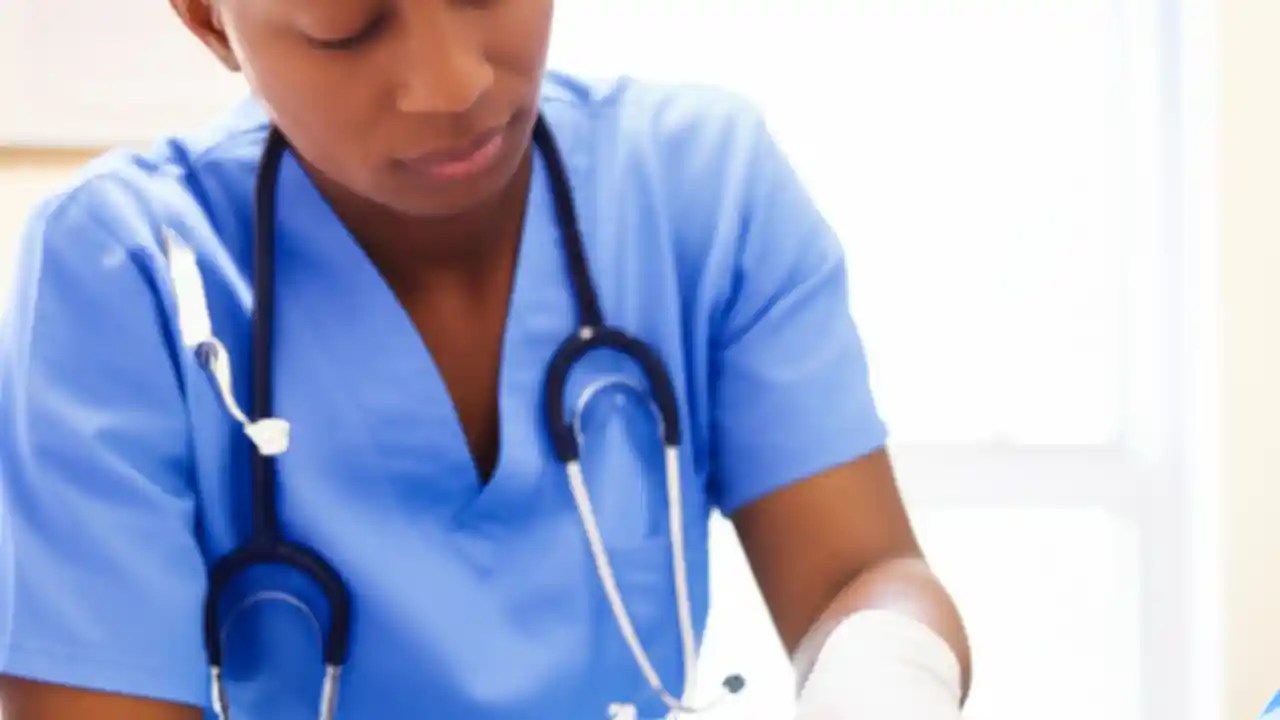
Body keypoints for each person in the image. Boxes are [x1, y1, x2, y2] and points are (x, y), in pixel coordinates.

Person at [0, 1, 971, 718]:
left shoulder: (699, 186)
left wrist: (880, 681)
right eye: (348, 26)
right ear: (208, 21)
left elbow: (862, 570)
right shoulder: (121, 270)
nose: (453, 82)